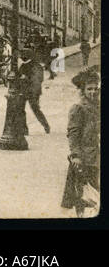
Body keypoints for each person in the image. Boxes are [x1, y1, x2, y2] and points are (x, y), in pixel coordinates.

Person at [61, 68, 100, 217]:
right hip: (85, 159)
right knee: (85, 196)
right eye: (89, 89)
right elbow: (73, 134)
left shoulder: (99, 106)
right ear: (83, 91)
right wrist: (75, 155)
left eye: (96, 89)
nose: (93, 92)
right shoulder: (78, 109)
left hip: (97, 156)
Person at [18, 48, 51, 134]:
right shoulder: (23, 66)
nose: (21, 57)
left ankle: (46, 125)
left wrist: (26, 78)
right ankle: (24, 129)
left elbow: (39, 79)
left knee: (35, 109)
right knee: (21, 109)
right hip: (24, 91)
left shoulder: (36, 66)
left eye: (23, 55)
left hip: (33, 92)